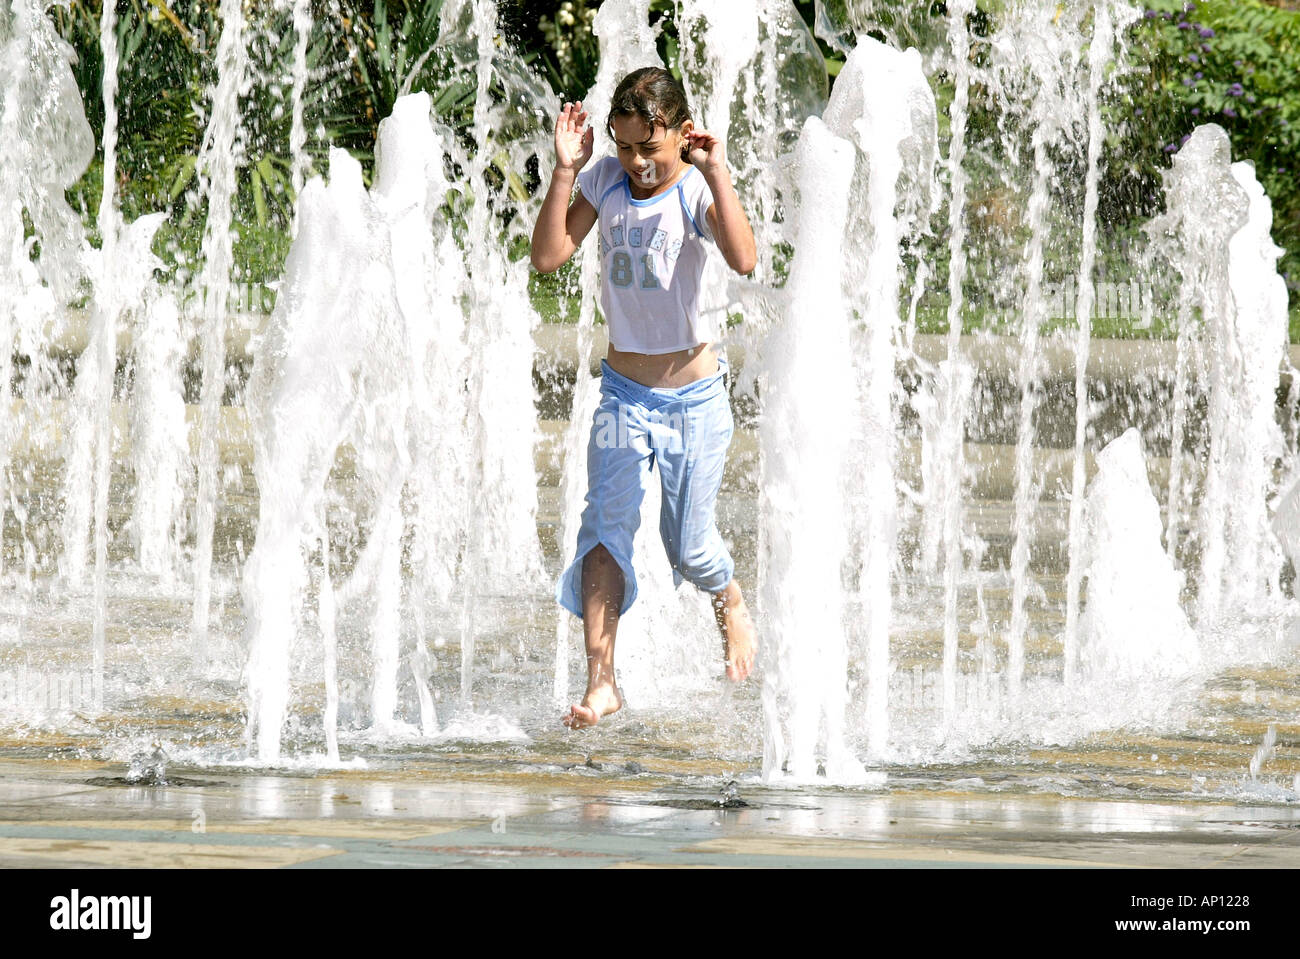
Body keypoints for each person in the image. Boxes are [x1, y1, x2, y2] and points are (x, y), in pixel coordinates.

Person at [531, 67, 758, 729]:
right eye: (623, 146)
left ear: (682, 136)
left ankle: (729, 595)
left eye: (648, 149)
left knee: (688, 547)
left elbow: (743, 258)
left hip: (694, 401)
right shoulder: (603, 180)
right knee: (603, 535)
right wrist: (567, 171)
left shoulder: (690, 191)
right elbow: (548, 256)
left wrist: (716, 173)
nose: (635, 162)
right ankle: (602, 681)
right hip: (624, 396)